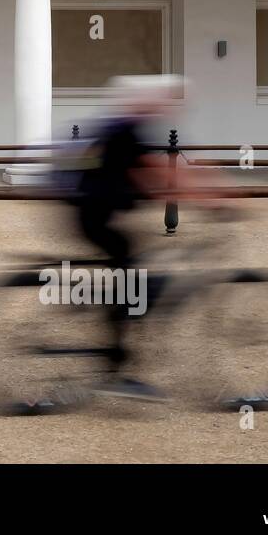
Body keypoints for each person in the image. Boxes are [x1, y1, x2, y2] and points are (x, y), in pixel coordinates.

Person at [66, 75, 189, 402]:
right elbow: (159, 172)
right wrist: (214, 201)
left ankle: (111, 327)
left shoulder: (122, 127)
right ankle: (115, 369)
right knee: (131, 279)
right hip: (95, 218)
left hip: (92, 214)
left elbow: (141, 174)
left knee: (129, 269)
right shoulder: (129, 130)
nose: (166, 107)